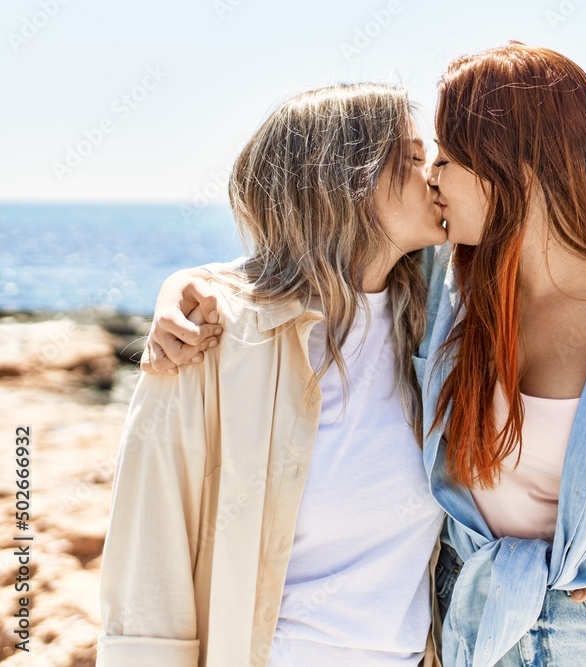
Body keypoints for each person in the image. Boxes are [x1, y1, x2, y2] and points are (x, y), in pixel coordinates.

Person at [145, 42, 586, 667]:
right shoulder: (441, 288)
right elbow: (316, 257)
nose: (431, 177)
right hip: (466, 627)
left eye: (447, 158)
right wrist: (190, 288)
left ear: (517, 168)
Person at [98, 83, 447, 667]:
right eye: (412, 159)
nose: (435, 173)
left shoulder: (438, 317)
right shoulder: (209, 339)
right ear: (346, 182)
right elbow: (148, 554)